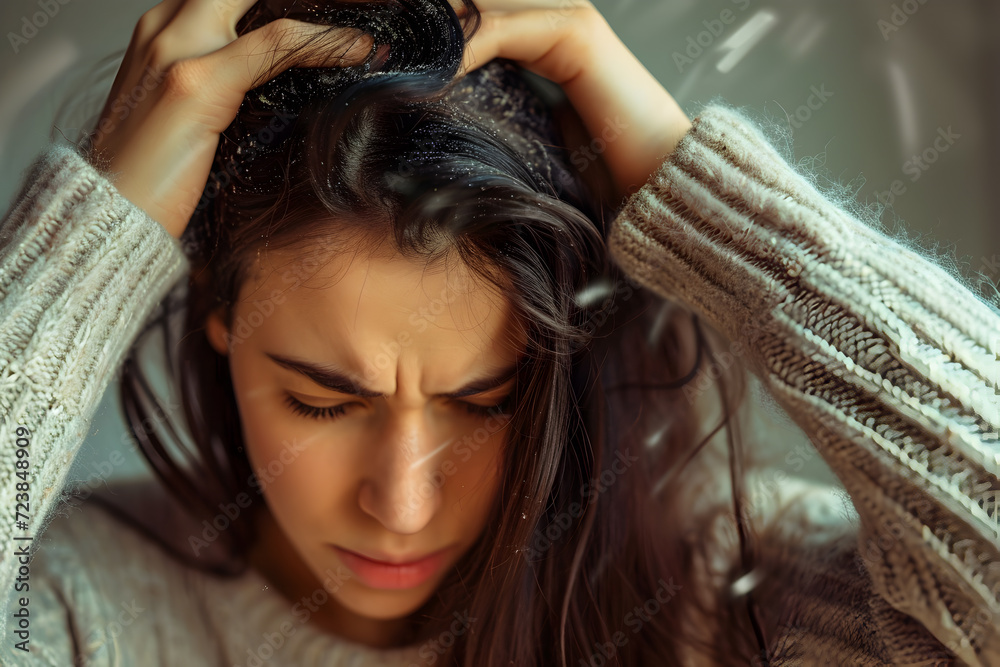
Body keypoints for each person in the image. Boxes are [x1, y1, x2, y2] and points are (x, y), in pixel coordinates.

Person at [0, 0, 997, 664]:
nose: (401, 502)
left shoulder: (709, 585)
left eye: (487, 401)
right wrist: (86, 236)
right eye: (324, 398)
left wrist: (681, 179)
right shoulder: (88, 609)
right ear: (216, 314)